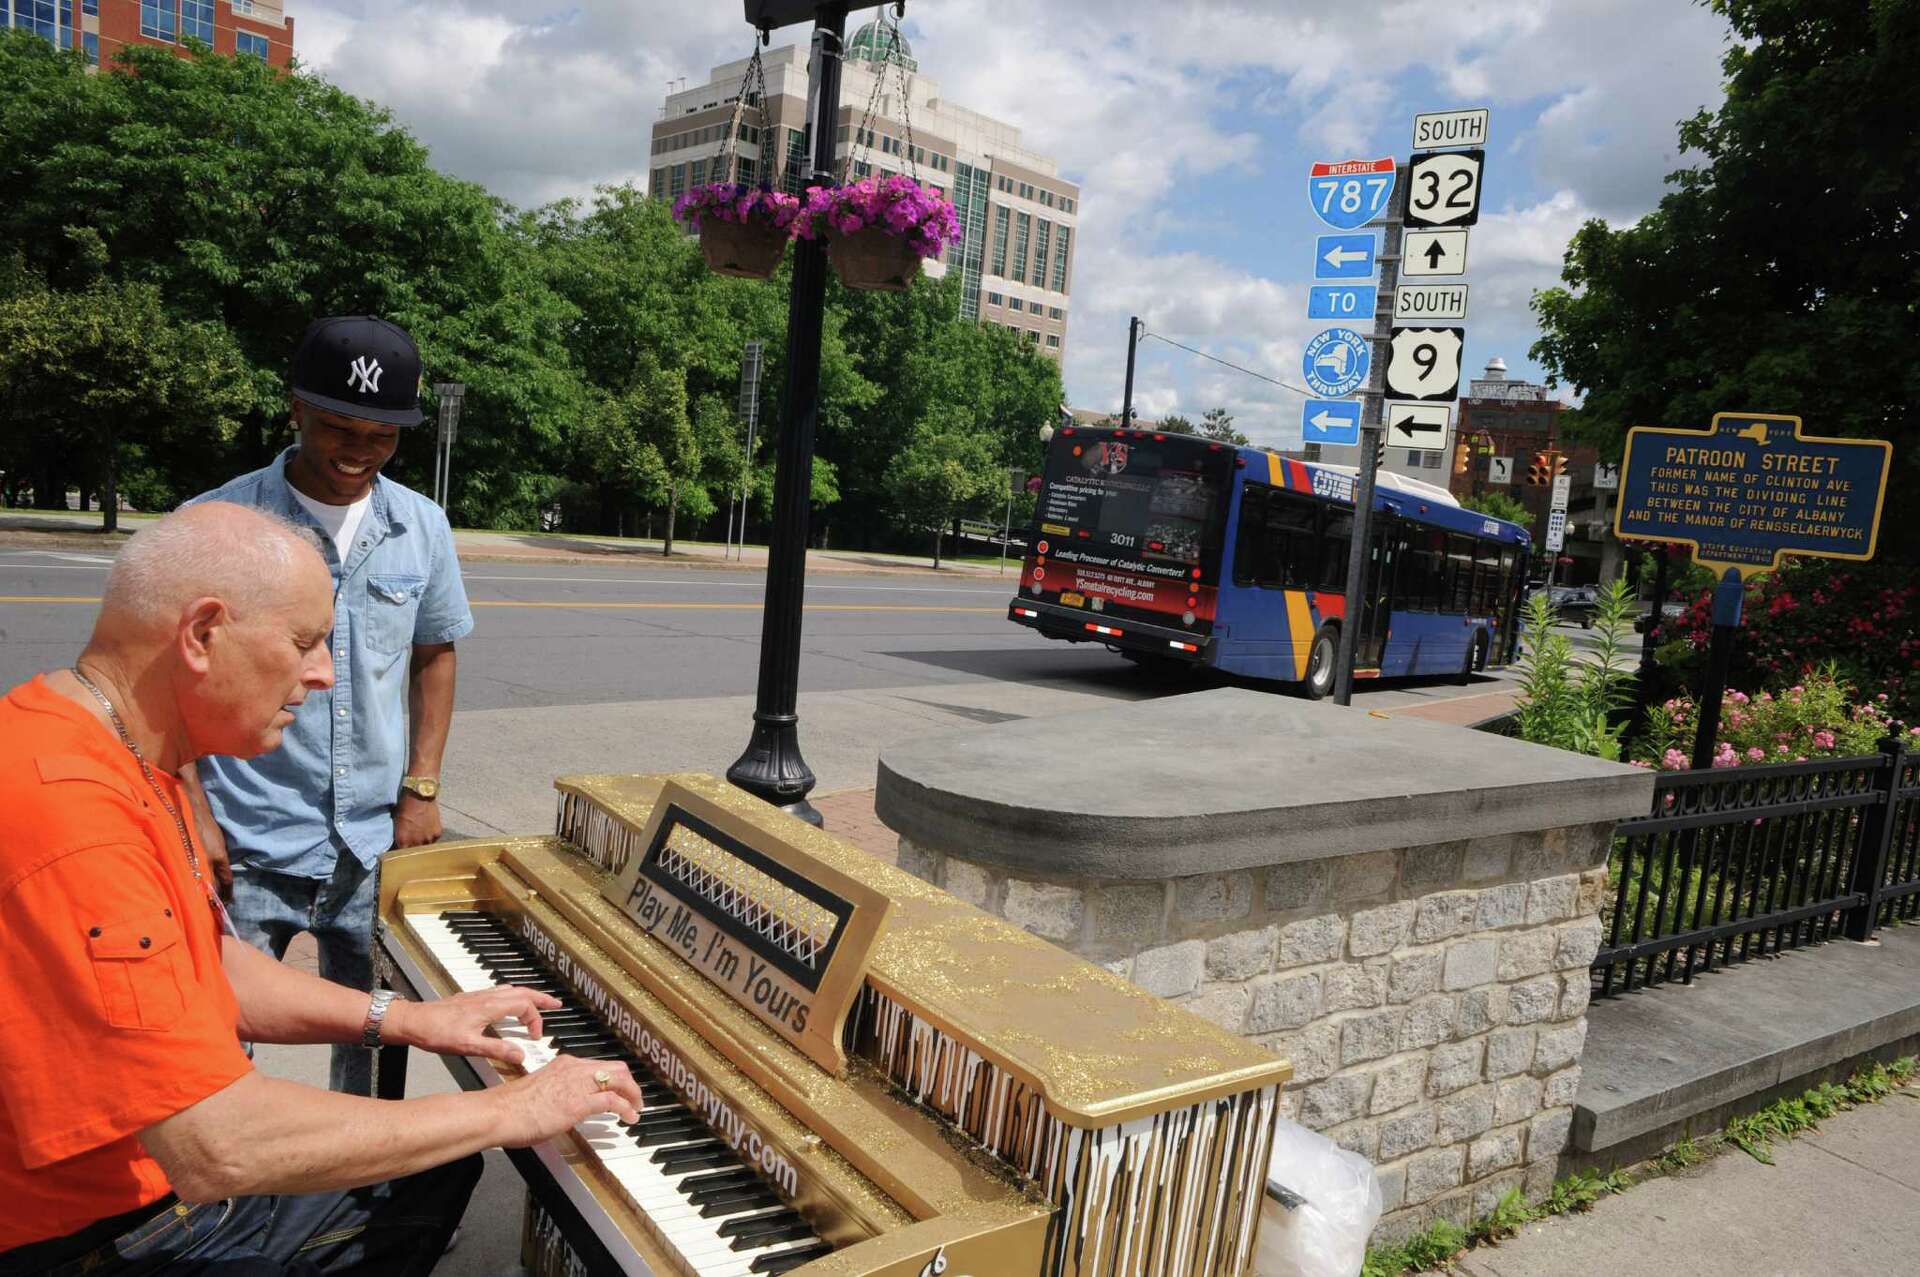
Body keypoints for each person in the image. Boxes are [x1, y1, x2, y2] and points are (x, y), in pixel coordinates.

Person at [0, 505, 643, 1276]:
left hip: (127, 1182)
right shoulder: (78, 819)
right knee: (434, 1165)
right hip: (97, 1230)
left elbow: (214, 968)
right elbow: (218, 1145)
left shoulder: (105, 741)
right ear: (202, 634)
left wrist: (409, 1018)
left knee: (434, 1163)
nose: (325, 674)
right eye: (304, 642)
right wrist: (511, 1109)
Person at [184, 315, 473, 1096]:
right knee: (212, 1041)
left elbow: (435, 652)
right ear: (294, 409)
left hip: (370, 843)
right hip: (246, 841)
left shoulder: (421, 525)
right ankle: (225, 1205)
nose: (358, 450)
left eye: (382, 434)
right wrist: (195, 815)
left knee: (376, 1035)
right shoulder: (219, 525)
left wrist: (423, 785)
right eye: (337, 426)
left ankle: (361, 1200)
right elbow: (164, 688)